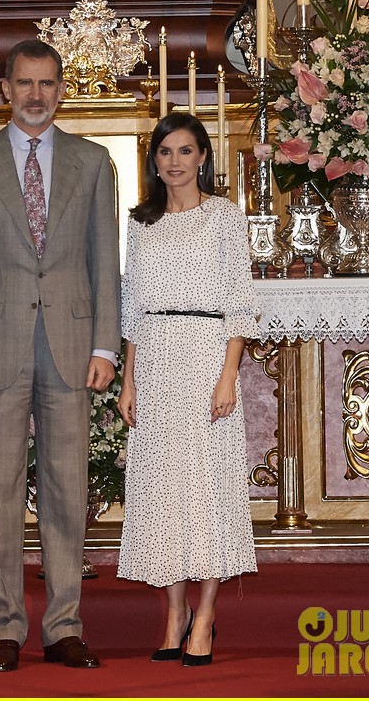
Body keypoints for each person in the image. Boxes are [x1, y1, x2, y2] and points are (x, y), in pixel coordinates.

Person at [0, 39, 121, 673]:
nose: (36, 95)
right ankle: (4, 629)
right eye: (24, 84)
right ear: (6, 90)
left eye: (47, 84)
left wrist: (106, 344)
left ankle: (64, 625)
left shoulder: (93, 162)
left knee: (68, 491)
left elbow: (106, 260)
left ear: (61, 89)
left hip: (72, 349)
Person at [117, 112, 259, 667]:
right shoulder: (141, 222)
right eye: (164, 153)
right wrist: (129, 381)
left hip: (205, 357)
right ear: (154, 161)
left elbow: (239, 302)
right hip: (154, 359)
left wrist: (228, 374)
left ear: (203, 156)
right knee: (162, 491)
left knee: (208, 488)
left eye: (184, 151)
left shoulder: (224, 217)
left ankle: (206, 616)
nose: (173, 162)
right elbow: (131, 308)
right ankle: (173, 615)